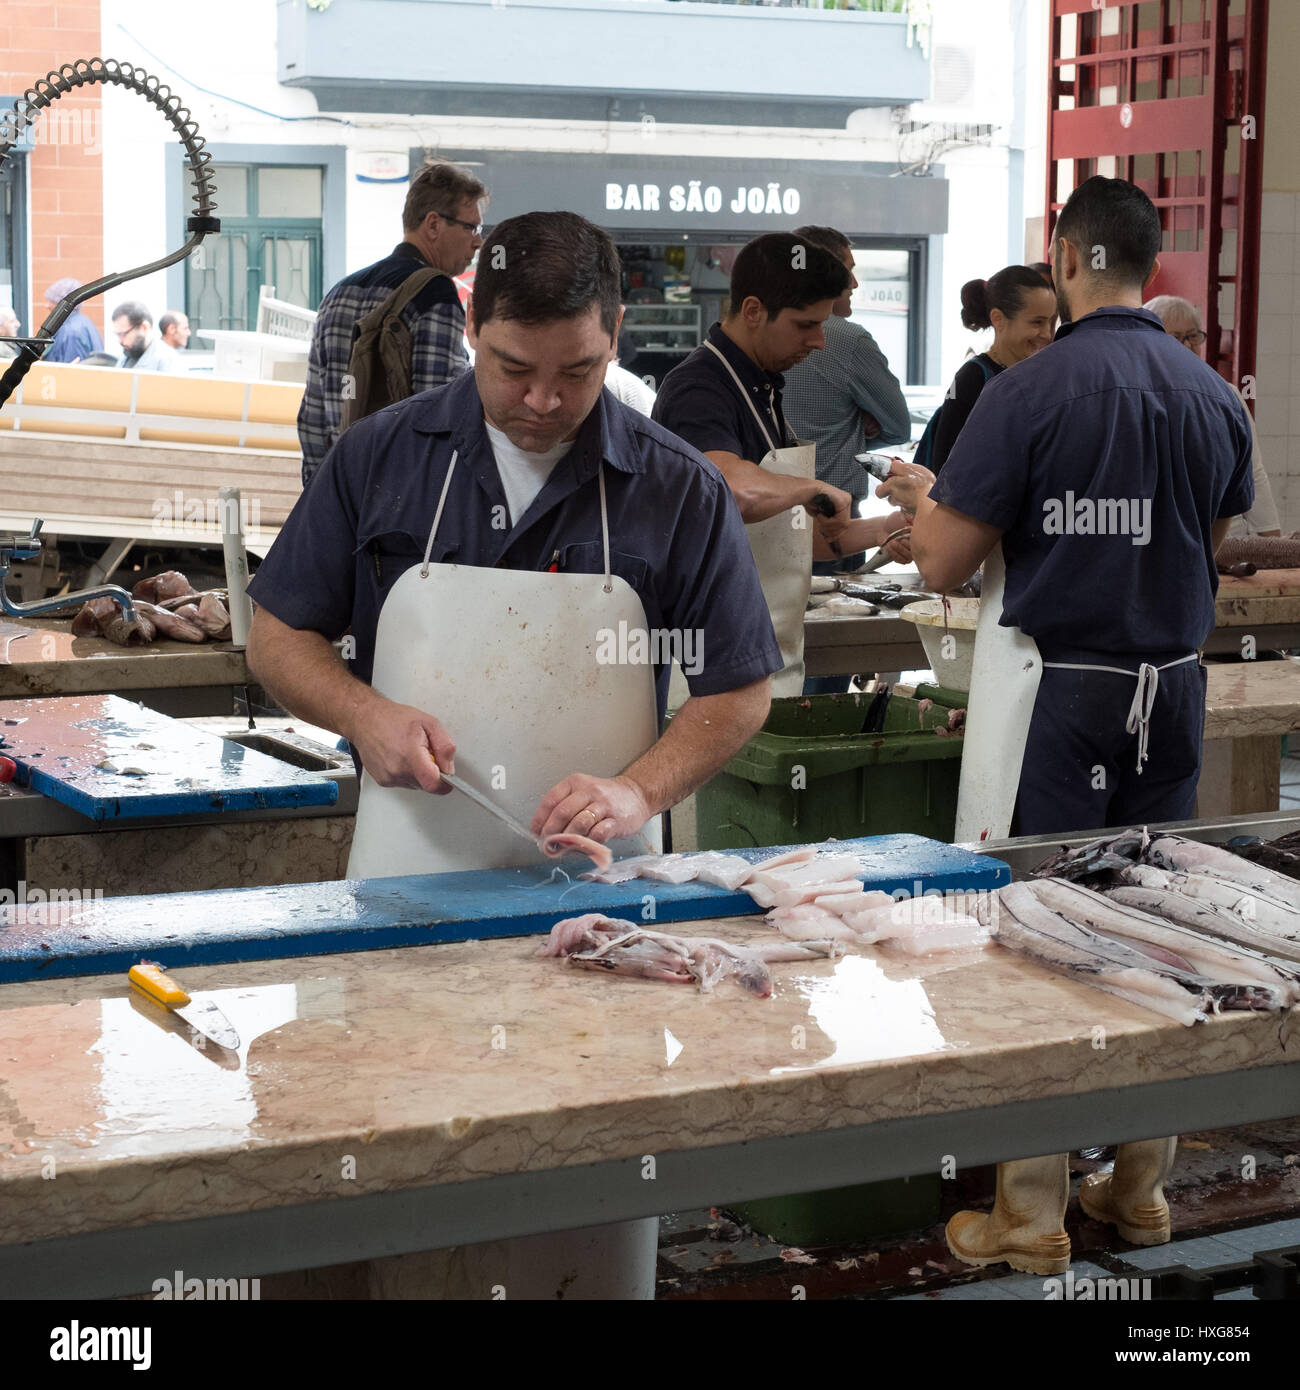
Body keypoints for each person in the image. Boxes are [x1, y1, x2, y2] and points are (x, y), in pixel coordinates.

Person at [245, 210, 781, 1299]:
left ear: (618, 335)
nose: (541, 401)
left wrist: (639, 787)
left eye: (576, 372)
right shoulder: (377, 458)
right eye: (512, 369)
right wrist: (364, 713)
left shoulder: (676, 486)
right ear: (469, 322)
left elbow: (738, 688)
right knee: (403, 1169)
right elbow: (277, 635)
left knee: (582, 1197)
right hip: (402, 898)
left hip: (602, 914)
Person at [878, 175, 1254, 1277]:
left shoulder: (1033, 391)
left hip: (1061, 694)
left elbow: (946, 561)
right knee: (1158, 928)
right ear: (1151, 265)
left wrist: (928, 508)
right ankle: (1139, 1189)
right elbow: (1213, 536)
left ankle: (1031, 1209)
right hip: (1170, 691)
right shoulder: (1209, 394)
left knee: (1032, 933)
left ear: (1068, 256)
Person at [651, 233, 857, 695]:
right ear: (752, 311)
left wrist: (887, 529)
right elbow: (728, 487)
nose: (820, 341)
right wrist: (812, 489)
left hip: (768, 657)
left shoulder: (765, 386)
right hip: (709, 670)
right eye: (806, 325)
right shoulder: (699, 389)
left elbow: (790, 538)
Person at [298, 161, 486, 485]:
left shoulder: (338, 292)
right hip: (398, 498)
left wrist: (320, 498)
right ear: (433, 224)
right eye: (471, 228)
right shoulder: (434, 294)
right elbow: (438, 417)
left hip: (339, 487)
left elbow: (312, 419)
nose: (478, 242)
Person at [782, 223, 912, 573]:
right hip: (837, 522)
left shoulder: (761, 341)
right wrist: (860, 428)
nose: (855, 283)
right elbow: (899, 426)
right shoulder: (850, 340)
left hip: (767, 520)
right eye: (849, 271)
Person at [1144, 293, 1281, 538]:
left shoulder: (1228, 395)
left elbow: (1253, 472)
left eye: (1193, 336)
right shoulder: (1138, 397)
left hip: (1230, 542)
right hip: (1164, 542)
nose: (1186, 345)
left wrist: (1270, 538)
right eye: (1175, 337)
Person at [918, 266, 1056, 475]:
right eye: (1037, 322)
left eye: (1051, 321)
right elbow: (945, 467)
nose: (1047, 334)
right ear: (998, 319)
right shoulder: (971, 378)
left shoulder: (1044, 377)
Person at [40, 278, 103, 364]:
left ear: (63, 304)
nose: (46, 305)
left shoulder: (71, 331)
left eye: (52, 301)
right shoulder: (82, 321)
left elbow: (70, 373)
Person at [110, 301, 183, 373]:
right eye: (118, 335)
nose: (120, 341)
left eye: (124, 334)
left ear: (144, 327)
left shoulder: (168, 361)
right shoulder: (127, 354)